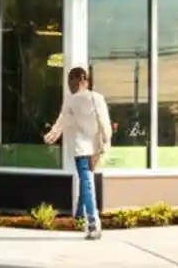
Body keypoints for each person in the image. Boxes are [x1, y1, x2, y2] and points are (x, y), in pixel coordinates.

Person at [43, 66, 112, 240]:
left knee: (87, 183)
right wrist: (102, 148)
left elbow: (61, 121)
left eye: (71, 80)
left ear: (80, 79)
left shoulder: (73, 100)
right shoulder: (96, 99)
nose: (69, 84)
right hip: (94, 149)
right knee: (85, 181)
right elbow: (105, 126)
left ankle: (92, 222)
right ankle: (81, 215)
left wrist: (51, 136)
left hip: (83, 150)